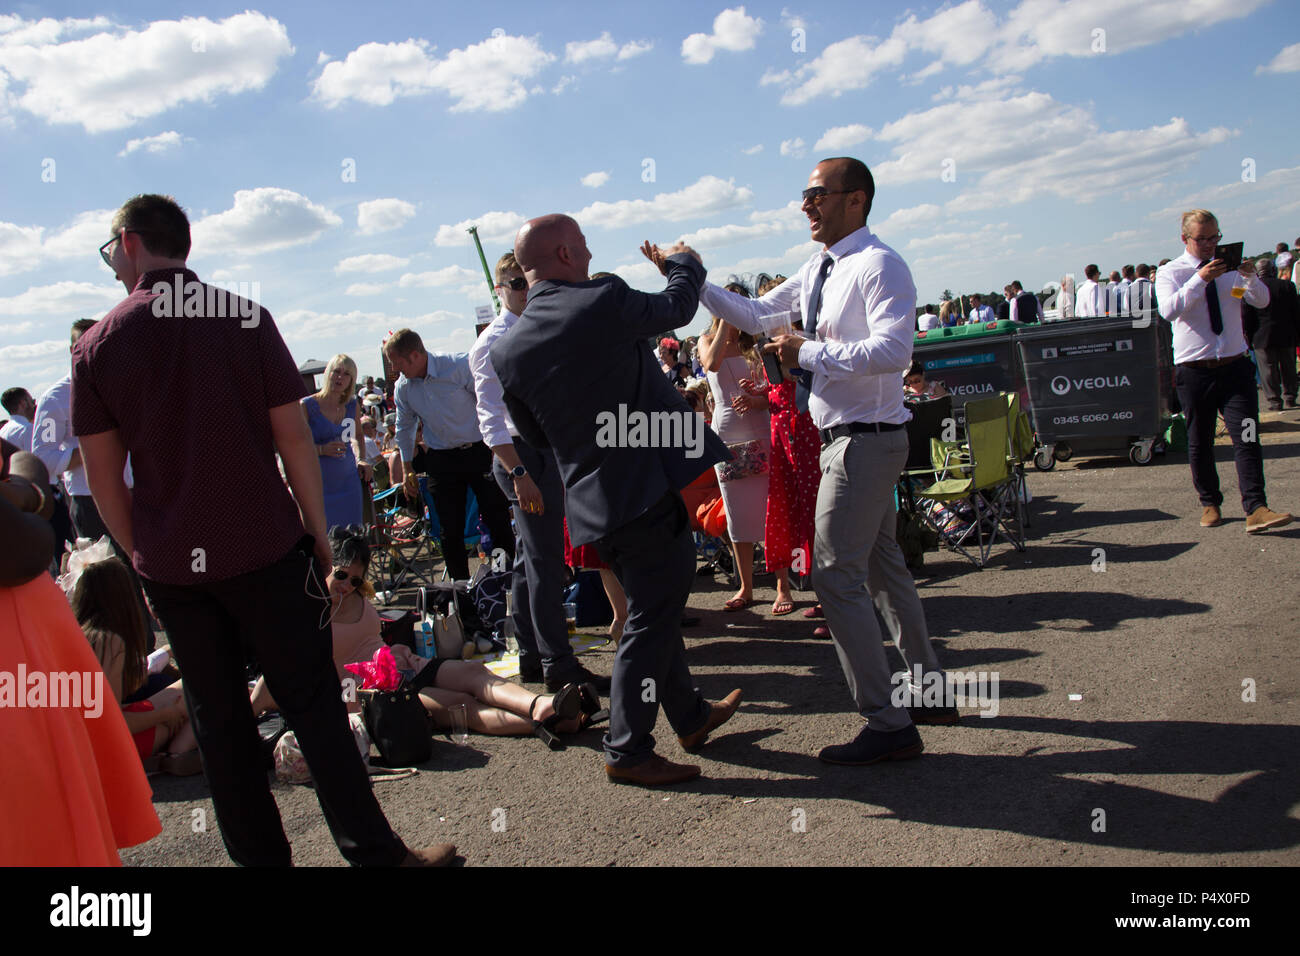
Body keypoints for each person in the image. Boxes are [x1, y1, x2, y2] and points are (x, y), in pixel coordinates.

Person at [73, 193, 453, 867]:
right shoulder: (244, 319)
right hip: (265, 545)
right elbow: (293, 443)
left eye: (111, 252)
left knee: (219, 725)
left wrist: (143, 552)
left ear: (130, 244)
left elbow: (104, 478)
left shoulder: (99, 344)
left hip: (174, 567)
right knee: (313, 707)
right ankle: (376, 854)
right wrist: (316, 531)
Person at [689, 157, 955, 765]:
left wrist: (810, 352)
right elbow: (754, 316)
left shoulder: (879, 264)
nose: (806, 205)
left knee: (835, 577)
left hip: (865, 439)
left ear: (855, 199)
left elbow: (894, 351)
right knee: (884, 569)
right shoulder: (820, 267)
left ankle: (888, 724)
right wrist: (693, 278)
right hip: (857, 438)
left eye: (817, 194)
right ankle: (929, 691)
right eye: (805, 195)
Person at [491, 214, 741, 787]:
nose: (588, 251)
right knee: (653, 615)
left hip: (590, 500)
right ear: (562, 253)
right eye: (581, 244)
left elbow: (533, 436)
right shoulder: (600, 298)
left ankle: (691, 716)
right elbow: (678, 307)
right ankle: (627, 749)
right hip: (642, 487)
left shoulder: (509, 351)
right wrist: (684, 261)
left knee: (652, 606)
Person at [0, 441, 162, 864]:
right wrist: (29, 502)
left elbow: (25, 461)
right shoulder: (109, 639)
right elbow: (24, 546)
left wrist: (25, 496)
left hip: (38, 667)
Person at [469, 251, 611, 693]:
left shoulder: (543, 325)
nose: (525, 289)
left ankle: (533, 656)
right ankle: (558, 665)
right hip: (522, 456)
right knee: (547, 562)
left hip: (551, 450)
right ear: (498, 289)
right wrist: (517, 473)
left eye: (529, 280)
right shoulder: (490, 343)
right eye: (514, 283)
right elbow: (489, 419)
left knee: (531, 563)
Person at [1155, 209, 1292, 533]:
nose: (1209, 245)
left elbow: (1260, 301)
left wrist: (1248, 277)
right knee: (1199, 441)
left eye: (1214, 237)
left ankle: (1256, 507)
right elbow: (1169, 311)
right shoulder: (1172, 272)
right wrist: (1200, 279)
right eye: (1202, 239)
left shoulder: (1230, 270)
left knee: (1246, 436)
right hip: (1194, 371)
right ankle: (1209, 502)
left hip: (1234, 367)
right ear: (1185, 239)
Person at [384, 329, 515, 583]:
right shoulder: (403, 387)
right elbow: (404, 426)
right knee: (448, 530)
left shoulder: (456, 366)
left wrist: (499, 442)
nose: (394, 369)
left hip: (479, 450)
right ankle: (460, 591)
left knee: (496, 519)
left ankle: (504, 578)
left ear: (414, 355)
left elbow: (487, 401)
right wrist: (407, 466)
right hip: (442, 459)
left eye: (397, 362)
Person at [68, 553, 199, 773]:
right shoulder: (109, 642)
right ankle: (178, 752)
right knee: (202, 693)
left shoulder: (79, 635)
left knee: (187, 689)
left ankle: (176, 750)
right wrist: (165, 715)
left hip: (84, 741)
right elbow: (110, 720)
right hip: (107, 744)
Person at [739, 273, 822, 620]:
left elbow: (806, 382)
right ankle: (783, 585)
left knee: (814, 508)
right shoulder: (764, 346)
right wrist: (760, 392)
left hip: (805, 430)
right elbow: (777, 394)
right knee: (783, 505)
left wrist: (791, 367)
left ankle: (825, 589)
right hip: (780, 433)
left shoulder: (805, 339)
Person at [697, 289, 771, 612]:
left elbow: (775, 386)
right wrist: (726, 324)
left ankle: (783, 584)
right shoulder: (706, 339)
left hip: (761, 428)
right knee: (737, 515)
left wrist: (759, 397)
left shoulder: (756, 343)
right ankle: (746, 586)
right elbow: (711, 363)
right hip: (726, 434)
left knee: (772, 508)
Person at [304, 353, 369, 531]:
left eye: (347, 373)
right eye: (336, 371)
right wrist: (321, 449)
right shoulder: (307, 406)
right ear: (328, 374)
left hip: (349, 483)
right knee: (325, 539)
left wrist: (361, 458)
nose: (340, 377)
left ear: (352, 379)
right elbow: (294, 446)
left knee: (351, 538)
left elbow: (357, 436)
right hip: (319, 485)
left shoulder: (351, 404)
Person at [1242, 257, 1299, 411]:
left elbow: (1246, 315)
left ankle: (1274, 401)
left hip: (1261, 335)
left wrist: (1247, 335)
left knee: (1268, 370)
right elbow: (1296, 311)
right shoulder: (1287, 285)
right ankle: (1290, 397)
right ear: (1273, 270)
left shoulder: (1251, 289)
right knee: (1289, 367)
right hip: (1287, 333)